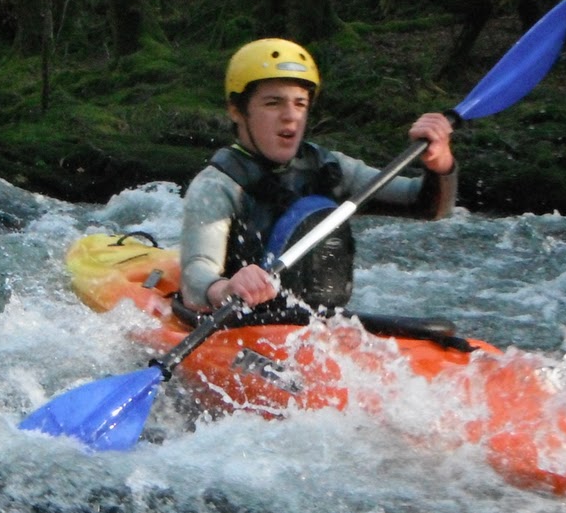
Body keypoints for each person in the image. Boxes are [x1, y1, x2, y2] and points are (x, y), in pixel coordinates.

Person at [178, 38, 457, 322]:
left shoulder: (328, 168)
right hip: (243, 324)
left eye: (300, 103)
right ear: (236, 110)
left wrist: (440, 164)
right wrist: (225, 288)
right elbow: (196, 276)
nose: (290, 117)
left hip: (318, 327)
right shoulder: (218, 185)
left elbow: (428, 206)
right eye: (273, 103)